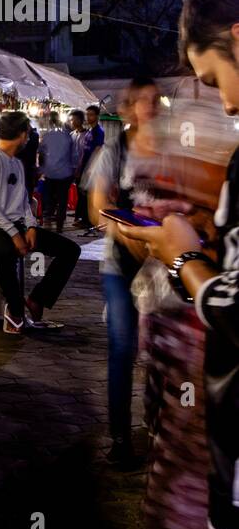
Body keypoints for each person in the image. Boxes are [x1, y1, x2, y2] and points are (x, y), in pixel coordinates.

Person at [117, 0, 239, 529]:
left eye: (213, 79)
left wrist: (184, 253)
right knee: (176, 420)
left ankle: (192, 527)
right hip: (170, 313)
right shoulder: (153, 151)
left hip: (200, 321)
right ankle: (184, 525)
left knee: (189, 428)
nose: (221, 99)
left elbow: (235, 310)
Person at [88, 77, 158, 468]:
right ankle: (120, 438)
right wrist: (122, 229)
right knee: (122, 347)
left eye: (155, 101)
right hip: (120, 265)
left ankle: (162, 428)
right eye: (142, 101)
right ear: (129, 109)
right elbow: (96, 205)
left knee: (161, 351)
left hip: (164, 269)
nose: (149, 109)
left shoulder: (170, 152)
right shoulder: (114, 151)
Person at [0, 110, 80, 334]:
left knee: (70, 250)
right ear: (22, 135)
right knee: (7, 251)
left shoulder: (16, 164)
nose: (29, 138)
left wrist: (30, 226)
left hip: (16, 223)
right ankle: (15, 312)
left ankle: (37, 299)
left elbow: (24, 200)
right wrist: (14, 234)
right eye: (28, 134)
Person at [38, 110, 79, 231]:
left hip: (50, 173)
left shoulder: (46, 136)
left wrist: (41, 169)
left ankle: (48, 225)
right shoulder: (67, 137)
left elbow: (41, 155)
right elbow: (74, 156)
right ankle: (59, 226)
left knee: (49, 199)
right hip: (64, 174)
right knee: (62, 200)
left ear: (50, 122)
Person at [73, 105, 105, 228]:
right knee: (82, 193)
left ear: (97, 116)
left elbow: (98, 150)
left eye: (91, 114)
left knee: (88, 195)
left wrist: (91, 168)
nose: (88, 117)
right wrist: (79, 168)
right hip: (83, 167)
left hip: (92, 168)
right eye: (87, 114)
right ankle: (82, 218)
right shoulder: (89, 132)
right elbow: (83, 151)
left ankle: (88, 221)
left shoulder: (99, 132)